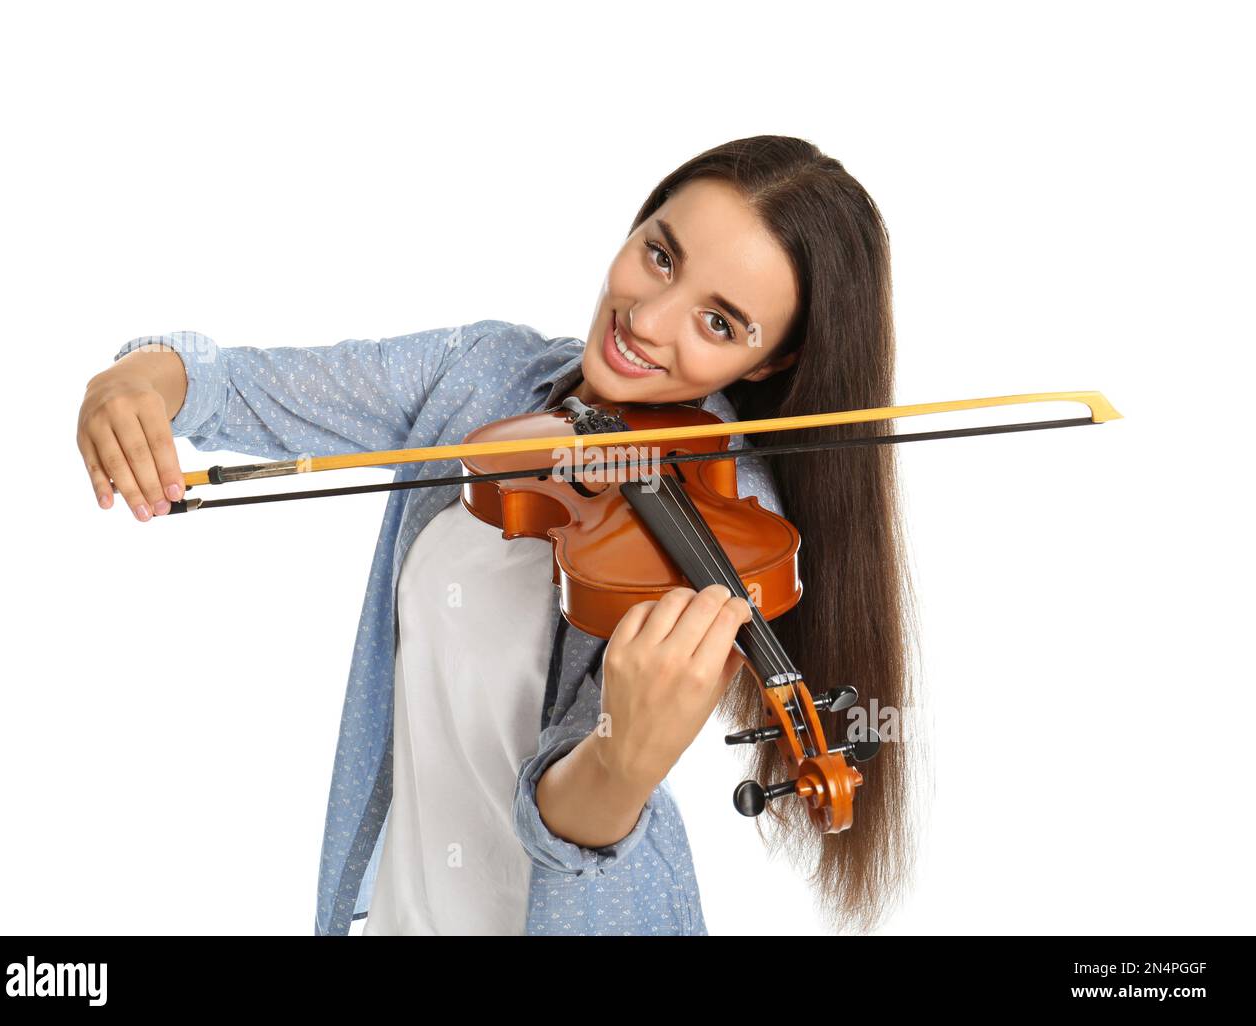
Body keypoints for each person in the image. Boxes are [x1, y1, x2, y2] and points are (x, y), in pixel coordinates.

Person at [76, 135, 921, 936]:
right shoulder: (484, 375)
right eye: (660, 256)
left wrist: (623, 764)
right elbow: (233, 384)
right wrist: (135, 380)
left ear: (769, 363)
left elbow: (570, 807)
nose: (651, 321)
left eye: (720, 324)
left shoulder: (729, 526)